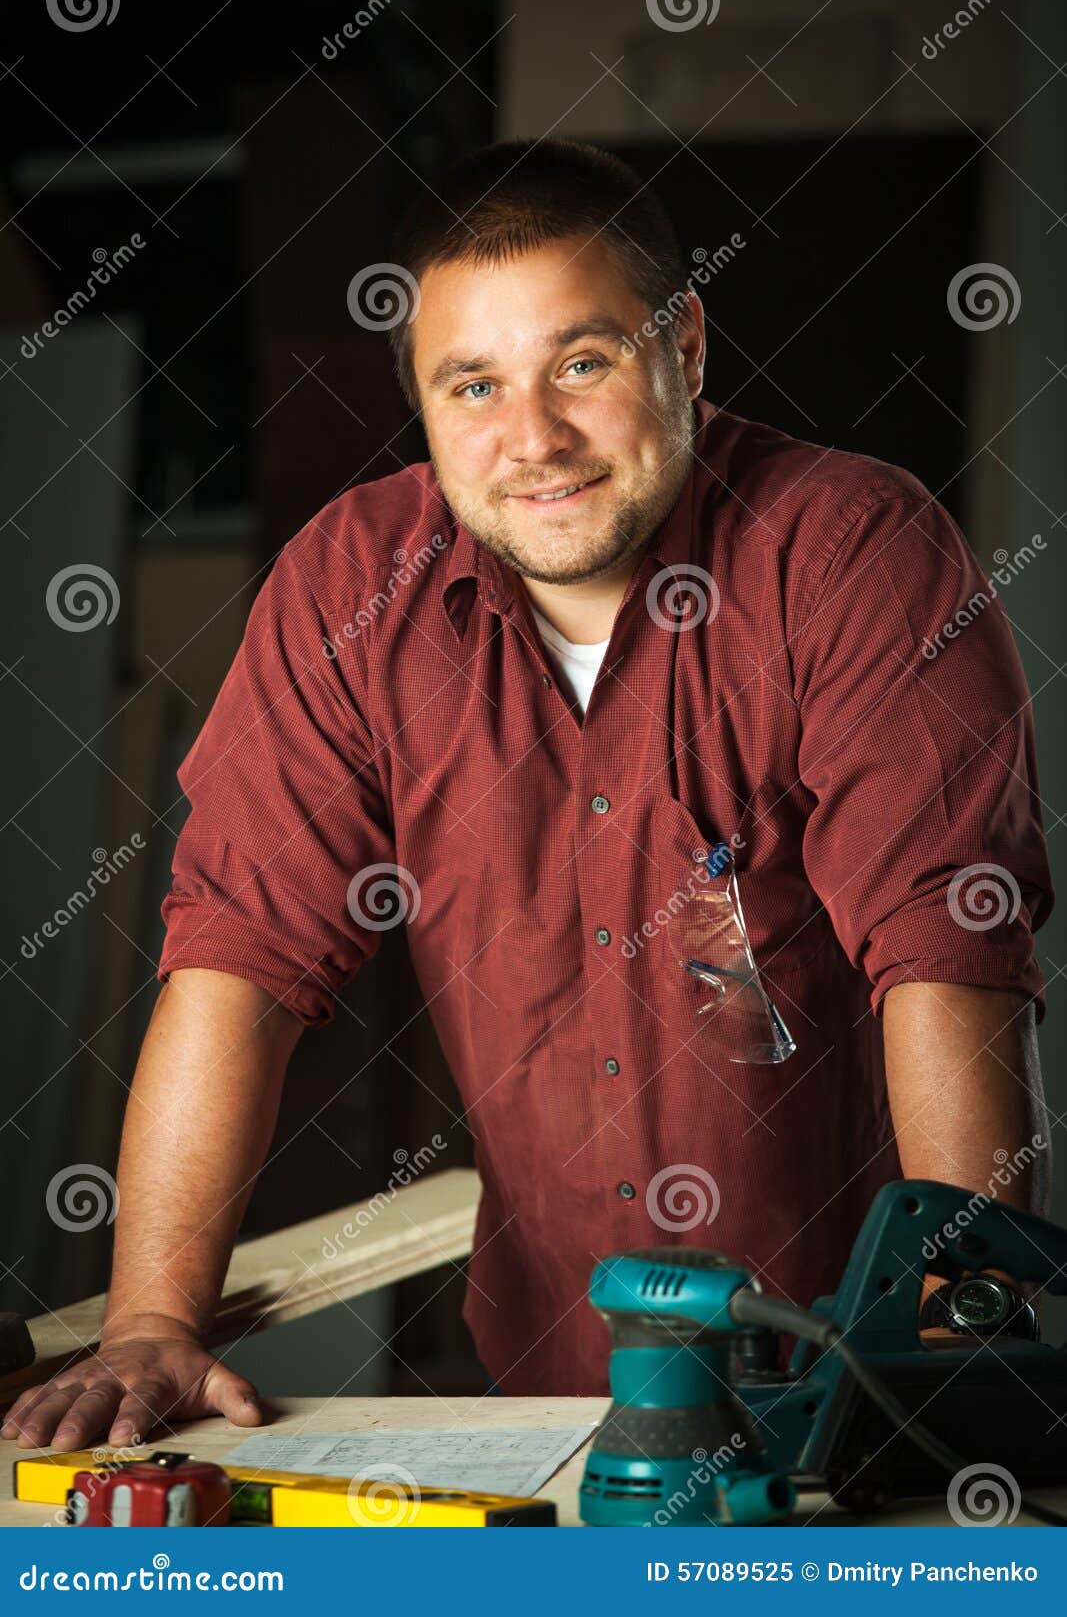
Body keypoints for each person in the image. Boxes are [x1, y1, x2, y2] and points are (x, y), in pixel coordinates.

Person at [3, 138, 1053, 1454]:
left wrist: (960, 1343)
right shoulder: (350, 594)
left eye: (584, 362)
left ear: (688, 344)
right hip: (547, 1386)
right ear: (423, 405)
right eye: (475, 386)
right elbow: (239, 965)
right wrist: (153, 1316)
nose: (535, 439)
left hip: (851, 1378)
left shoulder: (854, 555)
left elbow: (945, 957)